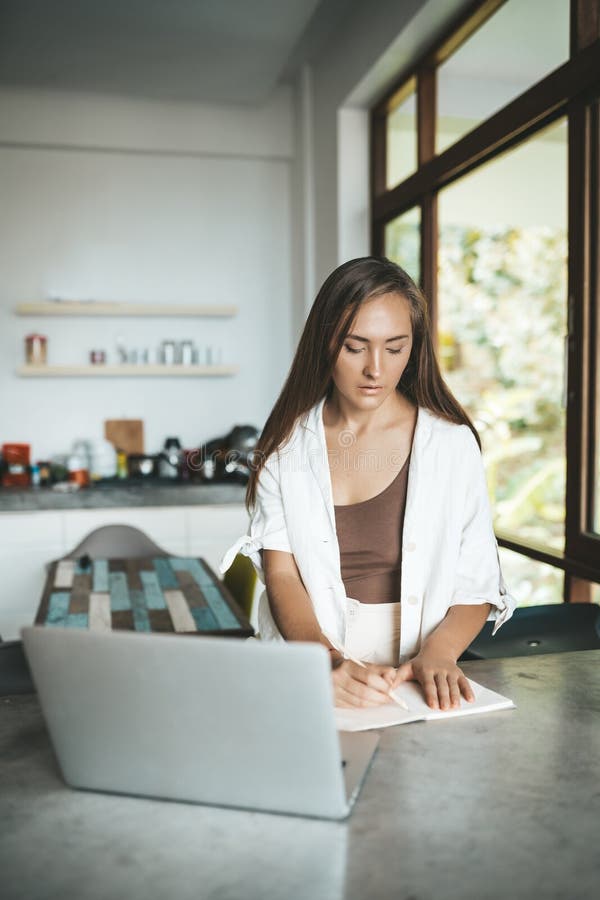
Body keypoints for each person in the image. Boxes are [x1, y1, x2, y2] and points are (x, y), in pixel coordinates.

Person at [219, 257, 515, 711]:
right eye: (355, 347)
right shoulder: (285, 445)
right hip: (307, 659)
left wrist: (439, 652)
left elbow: (477, 581)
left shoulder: (451, 446)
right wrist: (324, 661)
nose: (375, 369)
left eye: (394, 348)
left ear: (414, 349)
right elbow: (282, 574)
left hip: (414, 671)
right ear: (325, 344)